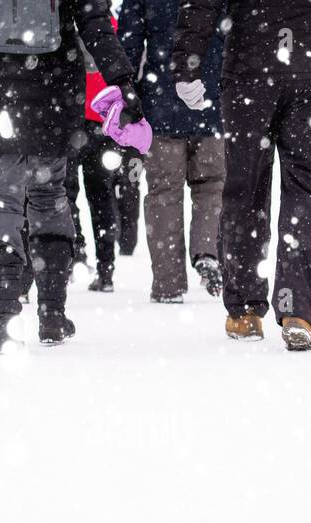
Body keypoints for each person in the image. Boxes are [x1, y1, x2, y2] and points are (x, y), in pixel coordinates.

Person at [174, 0, 311, 351]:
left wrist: (187, 62)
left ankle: (244, 309)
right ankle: (298, 308)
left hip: (252, 61)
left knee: (245, 187)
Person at [0, 0, 140, 353]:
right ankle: (52, 312)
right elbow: (93, 19)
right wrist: (121, 79)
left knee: (0, 197)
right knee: (49, 194)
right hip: (54, 83)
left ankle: (5, 315)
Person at [119, 0, 226, 304]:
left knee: (164, 192)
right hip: (212, 100)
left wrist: (130, 93)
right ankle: (207, 251)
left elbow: (129, 40)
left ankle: (168, 285)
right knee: (212, 187)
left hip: (161, 102)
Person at [67, 29, 123, 294]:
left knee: (62, 195)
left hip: (67, 117)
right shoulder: (107, 22)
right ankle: (105, 268)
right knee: (101, 197)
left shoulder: (63, 19)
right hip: (102, 120)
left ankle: (73, 254)